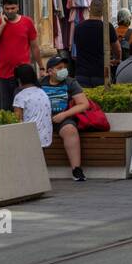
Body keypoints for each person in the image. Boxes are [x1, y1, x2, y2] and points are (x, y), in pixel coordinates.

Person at [40, 54, 91, 182]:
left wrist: (64, 115)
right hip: (43, 120)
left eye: (64, 67)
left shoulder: (70, 82)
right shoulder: (40, 83)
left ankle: (76, 169)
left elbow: (84, 104)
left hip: (63, 119)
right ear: (50, 71)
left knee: (70, 130)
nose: (64, 70)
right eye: (59, 67)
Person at [0, 0, 39, 110]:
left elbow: (34, 47)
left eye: (12, 8)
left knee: (25, 109)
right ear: (3, 9)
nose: (10, 11)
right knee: (6, 110)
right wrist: (2, 25)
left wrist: (41, 67)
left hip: (23, 76)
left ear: (18, 7)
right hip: (4, 75)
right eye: (7, 9)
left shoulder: (27, 22)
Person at [12, 63, 54, 149]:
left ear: (19, 80)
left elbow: (17, 121)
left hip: (31, 141)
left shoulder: (20, 96)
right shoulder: (42, 92)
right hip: (46, 139)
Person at [72, 0, 110, 88]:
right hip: (100, 73)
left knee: (84, 100)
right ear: (103, 11)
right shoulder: (107, 27)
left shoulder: (78, 27)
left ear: (89, 9)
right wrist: (116, 59)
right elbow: (117, 49)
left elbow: (76, 47)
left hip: (82, 73)